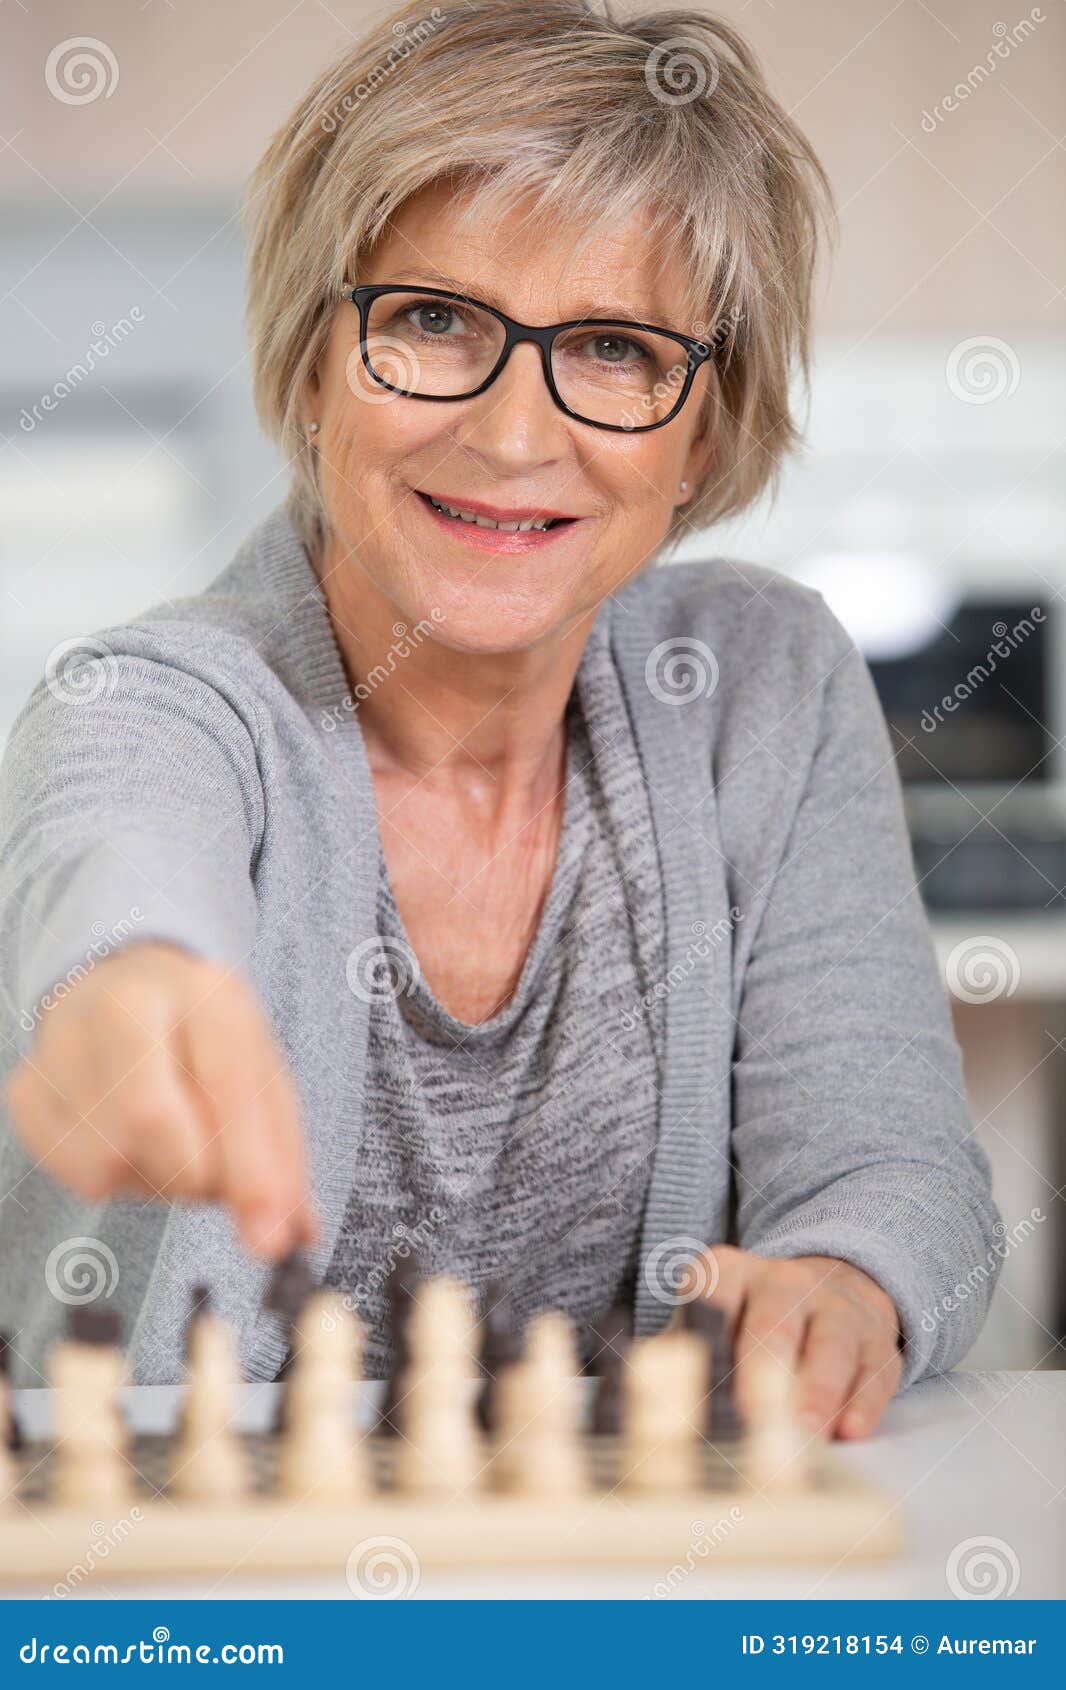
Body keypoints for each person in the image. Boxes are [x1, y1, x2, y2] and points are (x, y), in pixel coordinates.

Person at [0, 0, 999, 1430]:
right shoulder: (151, 700)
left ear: (699, 429)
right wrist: (131, 989)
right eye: (428, 319)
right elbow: (120, 872)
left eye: (610, 349)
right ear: (308, 365)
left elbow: (892, 1163)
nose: (514, 432)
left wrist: (848, 1274)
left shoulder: (761, 680)